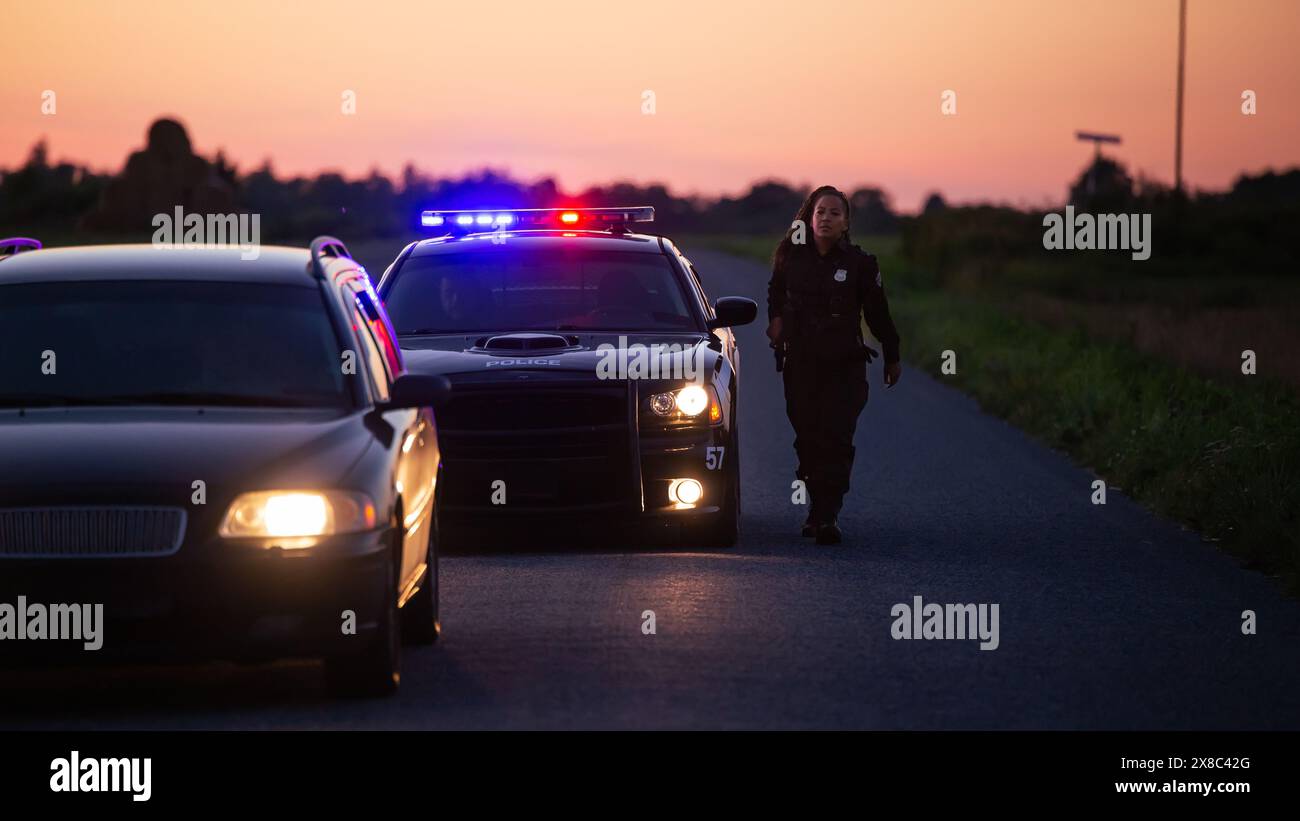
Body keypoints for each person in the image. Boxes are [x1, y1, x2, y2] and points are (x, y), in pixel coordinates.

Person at [766, 185, 902, 545]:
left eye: (835, 213)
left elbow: (878, 315)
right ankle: (817, 507)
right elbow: (775, 293)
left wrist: (893, 354)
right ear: (810, 218)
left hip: (846, 367)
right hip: (801, 366)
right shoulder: (790, 257)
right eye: (820, 212)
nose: (826, 218)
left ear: (846, 223)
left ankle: (827, 516)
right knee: (809, 441)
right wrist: (776, 321)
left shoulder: (861, 264)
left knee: (837, 439)